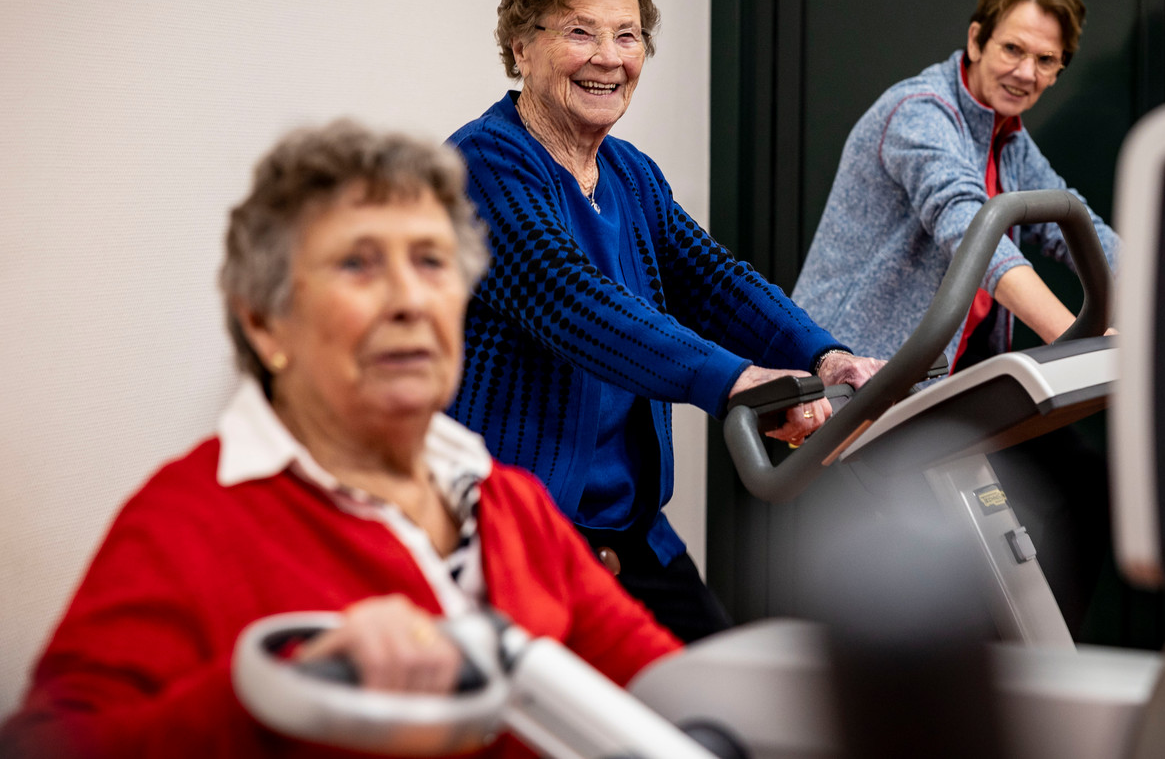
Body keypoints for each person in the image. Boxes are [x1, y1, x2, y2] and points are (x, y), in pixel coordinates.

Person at [0, 121, 681, 759]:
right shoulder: (189, 520)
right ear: (265, 324)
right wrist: (277, 693)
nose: (410, 300)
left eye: (432, 261)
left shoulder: (508, 504)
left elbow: (661, 688)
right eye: (358, 264)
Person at [448, 0, 883, 643]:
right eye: (579, 33)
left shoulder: (628, 173)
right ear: (521, 49)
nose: (609, 57)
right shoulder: (484, 165)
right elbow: (577, 305)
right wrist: (736, 383)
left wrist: (825, 359)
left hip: (631, 531)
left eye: (627, 36)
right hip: (519, 538)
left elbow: (715, 282)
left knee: (723, 703)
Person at [793, 0, 1122, 634]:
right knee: (952, 563)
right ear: (975, 41)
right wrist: (1082, 335)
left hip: (947, 391)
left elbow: (1080, 231)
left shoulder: (1009, 139)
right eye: (1012, 49)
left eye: (1046, 60)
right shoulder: (919, 115)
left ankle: (1029, 690)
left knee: (1084, 489)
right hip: (866, 384)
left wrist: (1164, 297)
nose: (1026, 72)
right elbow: (977, 237)